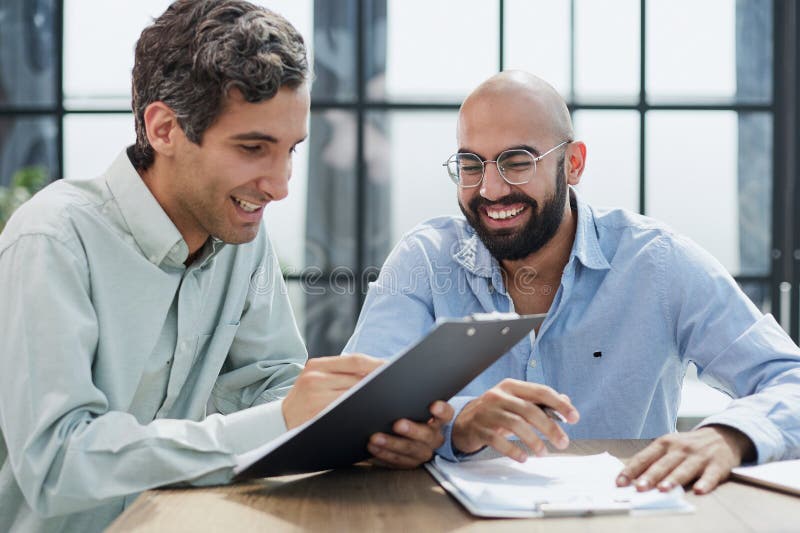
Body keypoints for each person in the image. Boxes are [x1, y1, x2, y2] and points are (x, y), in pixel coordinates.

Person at [0, 2, 451, 531]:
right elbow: (57, 466)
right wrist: (279, 421)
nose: (281, 186)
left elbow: (273, 386)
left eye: (290, 150)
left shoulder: (238, 236)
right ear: (165, 129)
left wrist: (360, 427)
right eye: (253, 148)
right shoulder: (51, 240)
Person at [345, 70, 800, 495]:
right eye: (471, 164)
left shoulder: (658, 262)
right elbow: (354, 407)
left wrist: (729, 436)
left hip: (627, 516)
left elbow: (790, 380)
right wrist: (459, 425)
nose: (491, 189)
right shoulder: (424, 260)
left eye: (516, 162)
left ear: (574, 163)